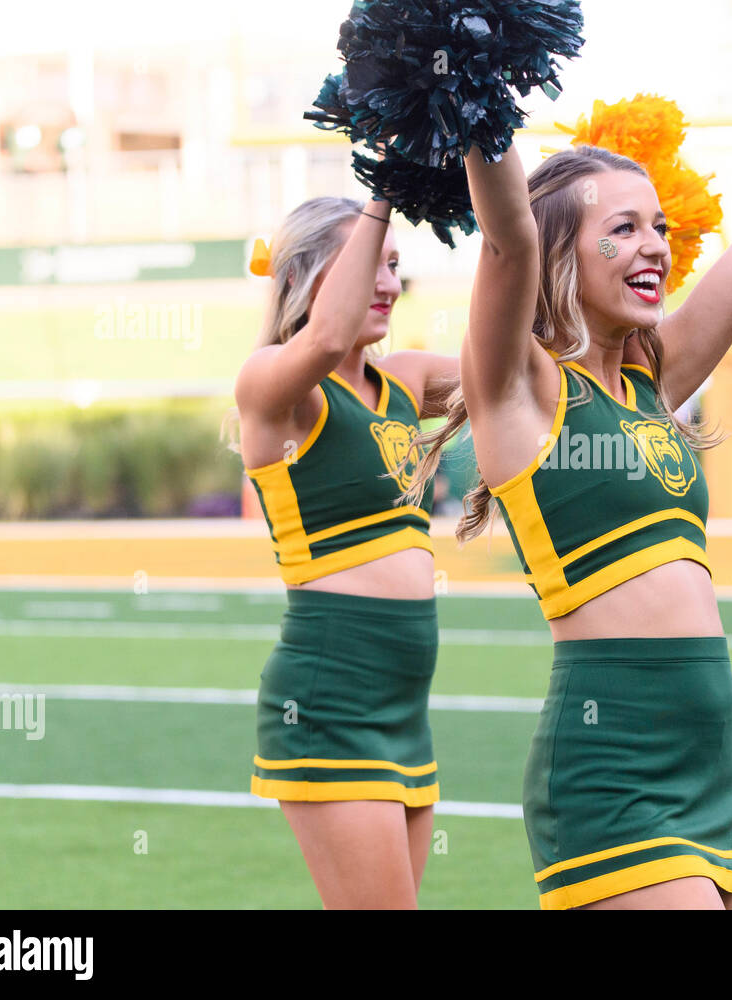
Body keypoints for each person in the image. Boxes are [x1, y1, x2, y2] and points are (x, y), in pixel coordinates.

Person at [406, 83, 732, 909]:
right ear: (563, 256)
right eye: (623, 229)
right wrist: (476, 86)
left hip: (711, 764)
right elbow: (507, 242)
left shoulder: (650, 383)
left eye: (660, 226)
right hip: (613, 759)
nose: (657, 246)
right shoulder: (521, 389)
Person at [232, 194, 458, 909]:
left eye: (394, 265)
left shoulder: (407, 381)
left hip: (403, 705)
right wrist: (385, 188)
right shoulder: (273, 384)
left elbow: (523, 369)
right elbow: (325, 341)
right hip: (331, 700)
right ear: (306, 279)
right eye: (369, 265)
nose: (388, 283)